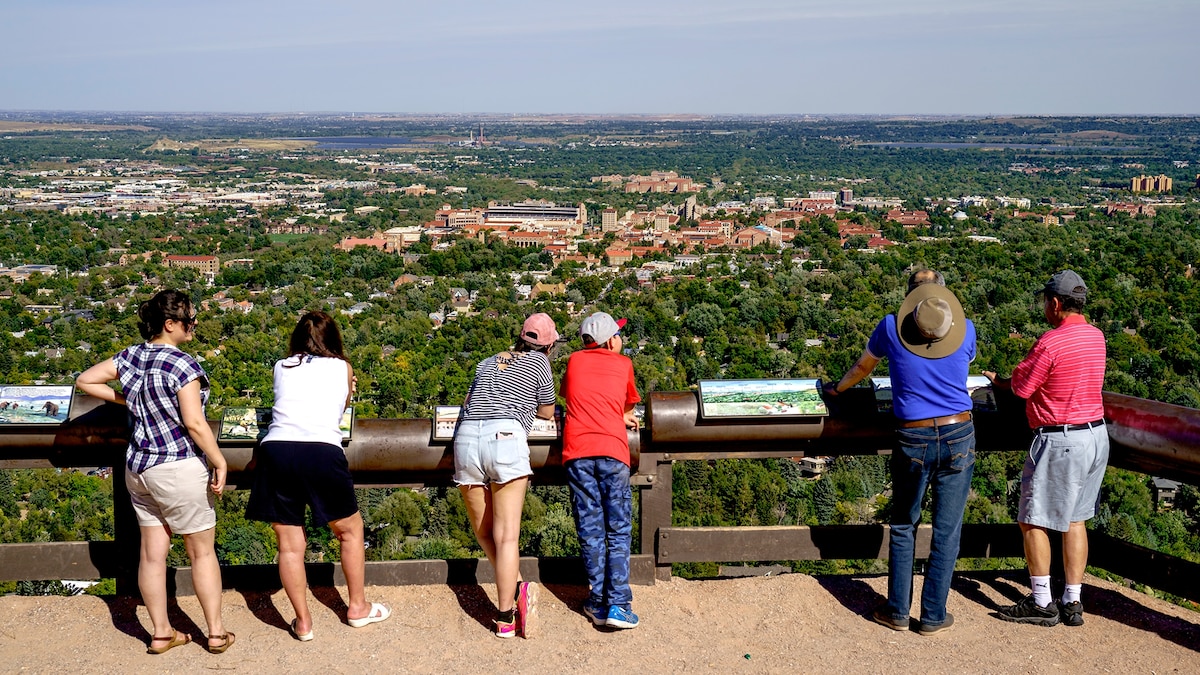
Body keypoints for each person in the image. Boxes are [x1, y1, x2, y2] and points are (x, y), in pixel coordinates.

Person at [76, 290, 235, 654]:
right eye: (190, 320)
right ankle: (215, 633)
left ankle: (162, 633)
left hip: (139, 467)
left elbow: (86, 380)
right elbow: (195, 423)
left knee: (151, 555)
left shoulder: (130, 356)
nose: (194, 325)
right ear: (170, 324)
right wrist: (219, 459)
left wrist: (127, 399)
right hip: (177, 465)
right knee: (202, 553)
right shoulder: (183, 365)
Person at [823, 269, 976, 636]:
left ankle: (897, 611)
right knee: (947, 529)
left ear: (911, 301)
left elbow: (863, 367)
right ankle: (935, 615)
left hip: (913, 436)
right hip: (959, 430)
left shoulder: (891, 327)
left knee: (905, 524)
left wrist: (838, 390)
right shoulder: (966, 329)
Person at [245, 311, 390, 641]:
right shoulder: (342, 367)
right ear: (334, 340)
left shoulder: (280, 367)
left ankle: (304, 622)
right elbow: (339, 411)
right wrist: (349, 387)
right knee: (350, 532)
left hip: (276, 451)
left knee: (290, 545)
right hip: (321, 451)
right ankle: (357, 608)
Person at [984, 270, 1107, 628]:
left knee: (1031, 519)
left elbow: (1021, 388)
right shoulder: (1097, 337)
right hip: (1096, 436)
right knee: (1075, 519)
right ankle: (1072, 601)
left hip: (1061, 438)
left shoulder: (1050, 343)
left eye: (1045, 302)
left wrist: (997, 381)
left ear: (1055, 303)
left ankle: (1042, 602)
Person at [454, 312, 558, 638]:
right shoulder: (541, 364)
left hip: (467, 438)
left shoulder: (488, 360)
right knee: (507, 536)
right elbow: (547, 411)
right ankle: (505, 616)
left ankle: (513, 591)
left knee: (484, 532)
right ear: (549, 345)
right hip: (507, 438)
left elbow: (469, 401)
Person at [561, 312, 642, 629]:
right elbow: (627, 404)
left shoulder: (574, 362)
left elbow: (575, 396)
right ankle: (618, 605)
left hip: (577, 453)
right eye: (619, 336)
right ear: (611, 340)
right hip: (612, 452)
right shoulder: (623, 365)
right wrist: (620, 415)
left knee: (590, 528)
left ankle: (596, 600)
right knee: (618, 530)